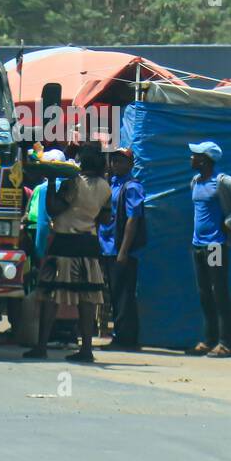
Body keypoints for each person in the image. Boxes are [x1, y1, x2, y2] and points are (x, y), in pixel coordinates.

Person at [26, 144, 112, 363]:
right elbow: (104, 218)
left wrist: (53, 181)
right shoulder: (105, 186)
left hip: (64, 242)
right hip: (89, 244)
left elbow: (54, 209)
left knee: (50, 296)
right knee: (87, 298)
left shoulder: (74, 182)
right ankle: (86, 349)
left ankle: (41, 346)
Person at [188, 141, 231, 357]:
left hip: (215, 246)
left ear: (205, 160)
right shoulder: (195, 182)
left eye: (195, 155)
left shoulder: (222, 182)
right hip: (198, 245)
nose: (191, 158)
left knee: (219, 292)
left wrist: (228, 223)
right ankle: (209, 340)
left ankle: (225, 343)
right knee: (203, 293)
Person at [99, 147, 145, 351]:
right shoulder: (112, 183)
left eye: (121, 161)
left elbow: (133, 219)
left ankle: (125, 338)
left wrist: (124, 251)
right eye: (114, 160)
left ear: (130, 164)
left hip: (120, 250)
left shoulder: (132, 187)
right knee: (115, 293)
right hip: (107, 247)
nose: (116, 164)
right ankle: (120, 334)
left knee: (124, 294)